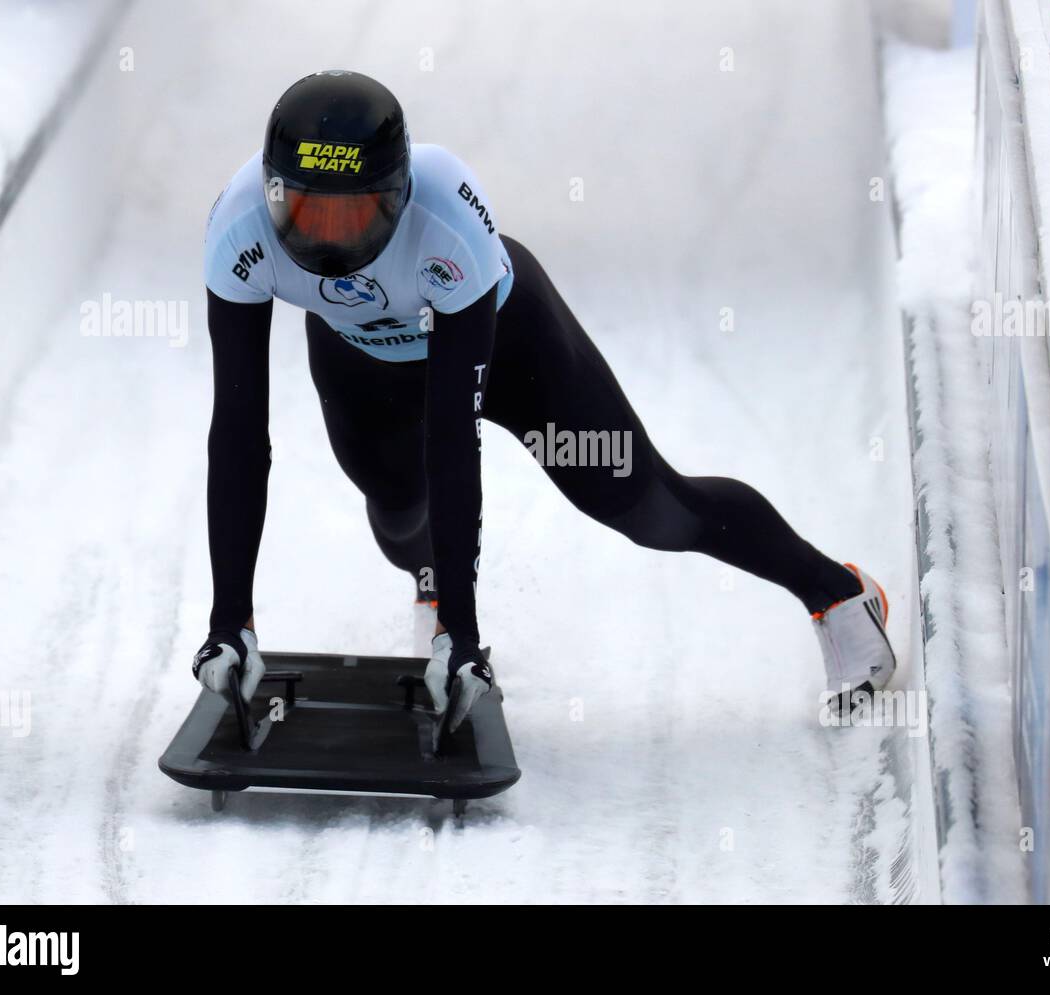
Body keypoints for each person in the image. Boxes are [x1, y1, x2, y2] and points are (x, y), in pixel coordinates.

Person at [192, 70, 895, 727]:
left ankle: (834, 590)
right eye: (312, 215)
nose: (333, 240)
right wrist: (231, 622)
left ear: (401, 196)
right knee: (398, 511)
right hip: (362, 366)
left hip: (509, 345)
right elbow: (239, 432)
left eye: (357, 216)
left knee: (646, 504)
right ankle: (434, 584)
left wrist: (463, 636)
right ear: (273, 192)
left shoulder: (447, 218)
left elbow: (451, 437)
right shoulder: (238, 227)